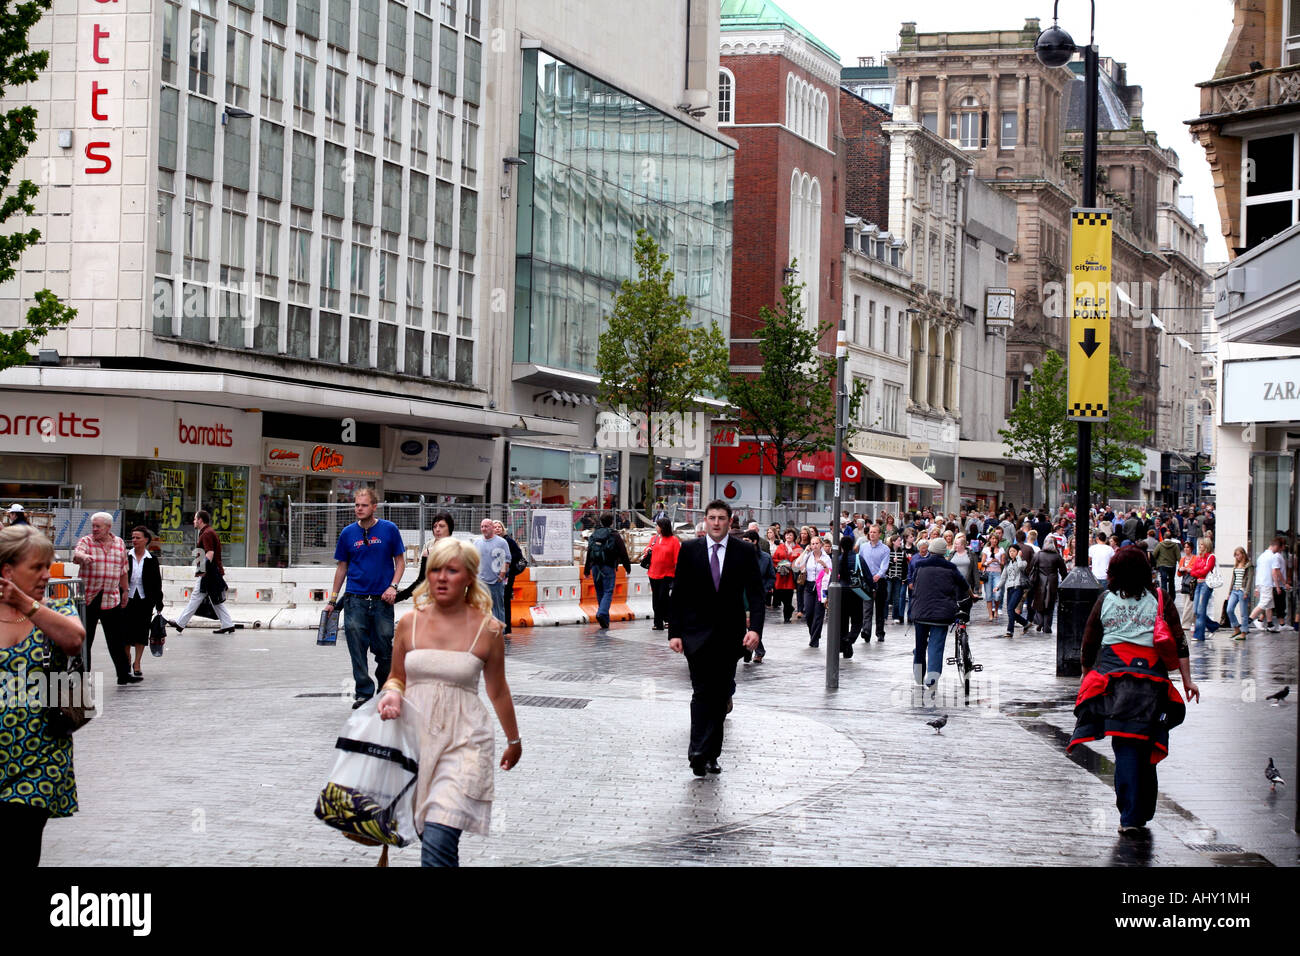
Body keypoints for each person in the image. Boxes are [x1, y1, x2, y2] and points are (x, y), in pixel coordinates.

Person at [377, 537, 521, 867]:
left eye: (452, 570)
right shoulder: (409, 623)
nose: (441, 577)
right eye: (436, 569)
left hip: (466, 742)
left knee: (440, 834)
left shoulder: (489, 630)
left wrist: (514, 740)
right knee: (432, 836)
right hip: (416, 742)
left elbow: (497, 689)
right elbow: (396, 676)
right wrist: (392, 694)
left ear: (469, 577)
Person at [1068, 546, 1199, 838]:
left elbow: (1089, 644)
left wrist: (1086, 675)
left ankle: (1130, 813)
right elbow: (1179, 642)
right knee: (1145, 745)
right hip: (1152, 684)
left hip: (1115, 683)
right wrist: (1188, 680)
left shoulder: (1105, 600)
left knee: (1125, 748)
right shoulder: (1160, 599)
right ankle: (1139, 811)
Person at [0, 524, 86, 865]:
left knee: (19, 845)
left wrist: (25, 602)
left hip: (39, 758)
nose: (45, 575)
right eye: (36, 567)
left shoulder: (56, 611)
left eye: (47, 566)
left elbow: (74, 639)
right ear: (7, 570)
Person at [667, 500, 764, 776]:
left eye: (722, 518)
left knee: (720, 695)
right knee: (701, 693)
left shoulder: (744, 551)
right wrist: (674, 633)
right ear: (705, 521)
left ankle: (711, 754)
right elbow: (679, 593)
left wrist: (755, 629)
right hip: (695, 635)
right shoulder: (689, 550)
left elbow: (756, 594)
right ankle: (697, 752)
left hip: (729, 636)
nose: (717, 523)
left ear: (730, 521)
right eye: (712, 518)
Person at [324, 489, 406, 709]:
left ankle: (384, 687)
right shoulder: (347, 533)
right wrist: (333, 600)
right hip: (355, 599)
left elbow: (400, 562)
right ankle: (363, 692)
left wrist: (393, 587)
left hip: (382, 600)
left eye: (363, 505)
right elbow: (342, 567)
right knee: (356, 647)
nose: (359, 508)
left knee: (384, 648)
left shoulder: (389, 529)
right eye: (356, 505)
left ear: (374, 507)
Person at [908, 536, 971, 695]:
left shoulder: (919, 565)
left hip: (920, 612)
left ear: (930, 551)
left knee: (920, 646)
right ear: (945, 552)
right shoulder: (951, 568)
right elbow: (964, 585)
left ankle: (918, 676)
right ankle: (932, 677)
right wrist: (972, 595)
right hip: (941, 614)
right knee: (936, 647)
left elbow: (914, 585)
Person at [70, 511, 128, 673]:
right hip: (89, 598)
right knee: (85, 639)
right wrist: (83, 557)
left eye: (98, 526)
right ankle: (82, 672)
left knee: (116, 639)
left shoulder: (119, 543)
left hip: (111, 598)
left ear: (108, 527)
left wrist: (125, 590)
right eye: (93, 526)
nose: (94, 529)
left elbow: (123, 569)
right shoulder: (86, 541)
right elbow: (77, 553)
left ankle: (123, 674)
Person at [168, 510, 235, 636]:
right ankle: (228, 624)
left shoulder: (207, 534)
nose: (193, 522)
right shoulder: (207, 532)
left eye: (194, 519)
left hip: (208, 573)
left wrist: (201, 570)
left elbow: (210, 553)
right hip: (211, 572)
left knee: (196, 597)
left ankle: (180, 623)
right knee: (215, 599)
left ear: (200, 520)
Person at [121, 526, 163, 681]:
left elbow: (156, 582)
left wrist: (158, 602)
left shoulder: (152, 560)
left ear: (146, 539)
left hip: (145, 600)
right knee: (125, 633)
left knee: (142, 632)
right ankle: (126, 661)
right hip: (127, 599)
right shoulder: (126, 556)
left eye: (138, 537)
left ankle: (137, 663)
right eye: (133, 537)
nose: (134, 540)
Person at [395, 512, 455, 604]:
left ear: (449, 528)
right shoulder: (428, 545)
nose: (437, 529)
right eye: (435, 527)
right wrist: (399, 597)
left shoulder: (457, 548)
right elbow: (422, 579)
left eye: (442, 526)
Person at [582, 512, 630, 630]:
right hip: (608, 566)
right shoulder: (614, 535)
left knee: (600, 592)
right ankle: (602, 613)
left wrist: (587, 569)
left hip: (595, 567)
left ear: (601, 522)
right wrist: (627, 567)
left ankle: (605, 621)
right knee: (608, 591)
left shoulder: (594, 534)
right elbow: (623, 552)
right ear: (611, 522)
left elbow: (589, 552)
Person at [643, 517, 681, 632]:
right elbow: (647, 551)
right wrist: (647, 551)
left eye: (658, 525)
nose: (656, 528)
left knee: (662, 598)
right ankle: (658, 622)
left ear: (663, 527)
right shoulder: (654, 539)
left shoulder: (674, 540)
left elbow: (677, 559)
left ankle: (668, 619)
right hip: (653, 573)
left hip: (667, 574)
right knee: (656, 599)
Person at [474, 519, 513, 628]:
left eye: (486, 526)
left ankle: (500, 630)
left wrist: (501, 576)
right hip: (480, 582)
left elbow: (507, 559)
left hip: (495, 582)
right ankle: (484, 630)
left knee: (497, 608)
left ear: (492, 527)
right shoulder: (477, 542)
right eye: (482, 526)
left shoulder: (501, 542)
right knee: (481, 607)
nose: (484, 529)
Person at [742, 530, 773, 663]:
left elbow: (771, 576)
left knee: (755, 625)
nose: (744, 544)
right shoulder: (740, 555)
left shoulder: (765, 558)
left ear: (754, 542)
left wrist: (764, 589)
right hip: (742, 594)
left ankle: (758, 651)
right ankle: (747, 649)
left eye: (747, 541)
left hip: (758, 595)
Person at [856, 524, 891, 642]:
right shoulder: (863, 547)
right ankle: (866, 631)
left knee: (880, 608)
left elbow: (884, 565)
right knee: (867, 607)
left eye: (874, 532)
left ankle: (880, 632)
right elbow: (860, 561)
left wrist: (879, 575)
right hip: (866, 581)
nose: (872, 534)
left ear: (879, 534)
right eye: (870, 532)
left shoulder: (885, 549)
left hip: (879, 580)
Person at [1026, 536, 1068, 633]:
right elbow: (1063, 571)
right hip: (1052, 581)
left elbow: (1030, 568)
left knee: (1039, 602)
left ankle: (1040, 621)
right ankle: (1046, 626)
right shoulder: (1057, 556)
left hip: (1040, 581)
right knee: (1050, 604)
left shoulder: (1038, 555)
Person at [492, 520, 526, 636]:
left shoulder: (508, 541)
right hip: (493, 576)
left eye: (499, 527)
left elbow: (518, 555)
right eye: (495, 527)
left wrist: (507, 562)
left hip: (507, 575)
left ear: (502, 529)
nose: (497, 529)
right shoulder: (490, 542)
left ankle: (507, 628)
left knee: (505, 600)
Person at [799, 536, 832, 648]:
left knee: (818, 614)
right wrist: (804, 551)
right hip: (809, 586)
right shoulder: (808, 556)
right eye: (812, 544)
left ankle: (814, 641)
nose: (814, 546)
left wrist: (823, 564)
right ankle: (815, 634)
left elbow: (830, 572)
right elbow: (797, 565)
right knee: (808, 613)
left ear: (821, 545)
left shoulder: (826, 557)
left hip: (821, 587)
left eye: (817, 543)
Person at [838, 533, 863, 658]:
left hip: (841, 592)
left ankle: (845, 646)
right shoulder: (858, 558)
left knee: (843, 621)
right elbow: (866, 575)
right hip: (855, 591)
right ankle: (849, 639)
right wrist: (873, 587)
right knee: (857, 620)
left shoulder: (838, 559)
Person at [1188, 537, 1218, 642]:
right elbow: (1192, 571)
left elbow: (1205, 571)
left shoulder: (1211, 557)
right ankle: (1213, 626)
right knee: (1196, 610)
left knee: (1200, 611)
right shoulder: (1199, 557)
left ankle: (1199, 635)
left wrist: (1198, 571)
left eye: (1201, 545)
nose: (1199, 546)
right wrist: (1199, 571)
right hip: (1198, 584)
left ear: (1206, 545)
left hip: (1206, 585)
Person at [1000, 543, 1032, 636]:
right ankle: (1025, 623)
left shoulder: (1023, 562)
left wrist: (1018, 557)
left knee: (1010, 609)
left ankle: (1010, 631)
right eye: (1010, 551)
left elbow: (1021, 566)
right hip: (1009, 588)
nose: (1011, 553)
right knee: (1010, 610)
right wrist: (998, 586)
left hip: (1018, 588)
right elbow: (1003, 576)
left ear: (1018, 552)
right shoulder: (1008, 564)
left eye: (1014, 551)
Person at [772, 529, 801, 624]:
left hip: (791, 575)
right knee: (779, 594)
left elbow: (800, 561)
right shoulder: (780, 546)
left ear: (794, 537)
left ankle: (787, 617)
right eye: (787, 535)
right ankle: (790, 608)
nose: (788, 537)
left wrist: (792, 564)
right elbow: (774, 559)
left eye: (790, 535)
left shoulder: (797, 547)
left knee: (788, 597)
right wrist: (782, 563)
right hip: (781, 574)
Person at [1225, 547, 1253, 640]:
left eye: (1238, 555)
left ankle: (1244, 632)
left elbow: (1249, 580)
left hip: (1242, 591)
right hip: (1234, 590)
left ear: (1243, 554)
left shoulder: (1248, 565)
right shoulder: (1236, 565)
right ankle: (1236, 628)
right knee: (1229, 609)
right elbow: (1233, 579)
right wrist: (1229, 592)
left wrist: (1246, 592)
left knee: (1243, 613)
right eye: (1235, 555)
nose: (1237, 557)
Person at [980, 532, 1004, 622]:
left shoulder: (1001, 550)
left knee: (997, 594)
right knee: (989, 594)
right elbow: (982, 563)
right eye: (992, 538)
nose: (994, 540)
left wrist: (997, 561)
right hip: (988, 572)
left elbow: (1003, 563)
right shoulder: (986, 549)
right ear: (989, 539)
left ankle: (996, 609)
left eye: (996, 539)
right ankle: (990, 614)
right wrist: (989, 562)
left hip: (997, 572)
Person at [1153, 528, 1181, 601]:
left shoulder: (1160, 545)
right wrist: (1180, 566)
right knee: (1171, 581)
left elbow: (1154, 554)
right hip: (1172, 565)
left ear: (1164, 537)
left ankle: (1164, 598)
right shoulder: (1175, 545)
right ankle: (1172, 598)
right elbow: (1179, 557)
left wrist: (1157, 561)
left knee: (1163, 581)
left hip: (1162, 565)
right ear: (1171, 537)